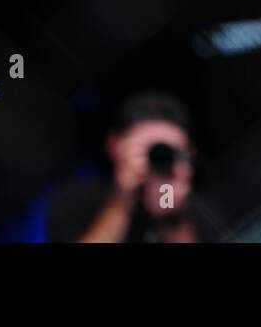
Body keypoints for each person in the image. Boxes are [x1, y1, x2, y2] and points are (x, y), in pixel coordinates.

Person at [73, 91, 211, 243]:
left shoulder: (196, 207)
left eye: (171, 153)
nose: (160, 159)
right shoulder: (81, 201)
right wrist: (121, 202)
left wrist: (169, 213)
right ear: (115, 145)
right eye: (154, 150)